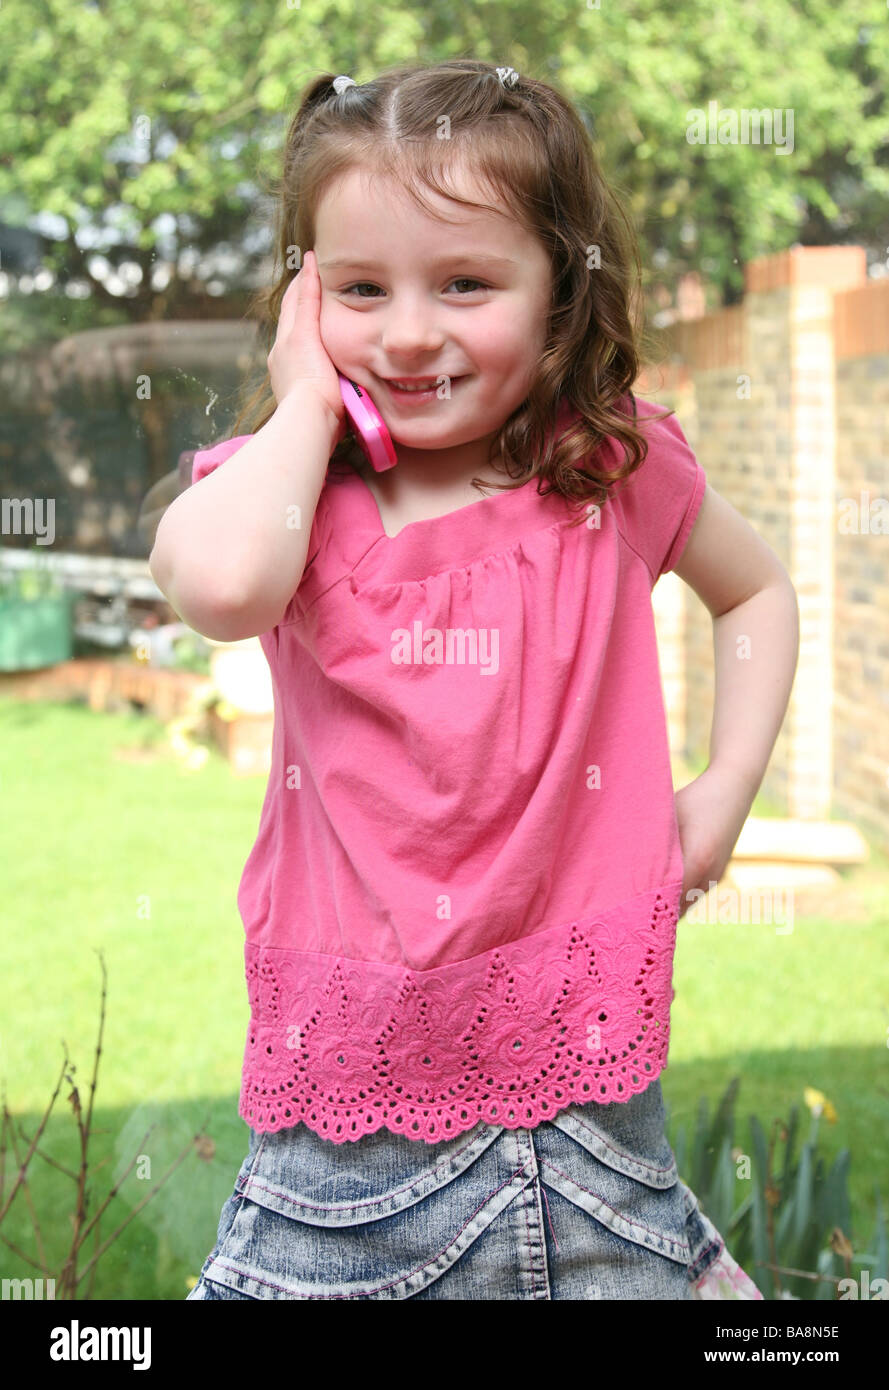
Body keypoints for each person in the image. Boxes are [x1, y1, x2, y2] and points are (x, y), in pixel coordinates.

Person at [150, 60, 799, 1300]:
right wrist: (302, 404)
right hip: (341, 1168)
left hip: (595, 1145)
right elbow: (224, 591)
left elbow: (756, 591)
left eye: (464, 283)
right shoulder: (273, 495)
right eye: (358, 289)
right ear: (303, 300)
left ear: (560, 289)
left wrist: (720, 796)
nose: (405, 332)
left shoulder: (611, 470)